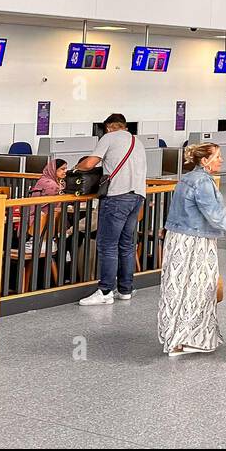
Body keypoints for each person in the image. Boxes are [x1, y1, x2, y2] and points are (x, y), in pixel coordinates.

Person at [158, 143, 226, 357]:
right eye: (218, 157)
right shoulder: (203, 182)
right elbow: (215, 216)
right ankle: (187, 340)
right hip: (196, 243)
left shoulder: (186, 178)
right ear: (204, 161)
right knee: (199, 288)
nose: (221, 160)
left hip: (178, 239)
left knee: (177, 289)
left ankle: (175, 338)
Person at [74, 113, 148, 306]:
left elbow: (90, 163)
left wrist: (77, 168)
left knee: (107, 245)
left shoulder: (109, 137)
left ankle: (105, 291)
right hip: (137, 197)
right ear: (124, 126)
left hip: (116, 197)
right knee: (126, 244)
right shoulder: (137, 142)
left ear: (108, 127)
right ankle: (125, 289)